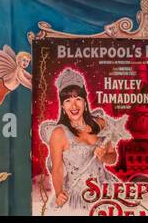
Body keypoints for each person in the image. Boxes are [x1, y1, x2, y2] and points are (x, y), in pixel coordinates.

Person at [38, 68, 120, 214]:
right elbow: (57, 169)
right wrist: (58, 193)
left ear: (85, 102)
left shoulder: (101, 124)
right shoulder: (59, 134)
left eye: (78, 99)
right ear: (62, 105)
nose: (74, 106)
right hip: (78, 196)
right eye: (68, 101)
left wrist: (103, 156)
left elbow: (112, 158)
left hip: (106, 190)